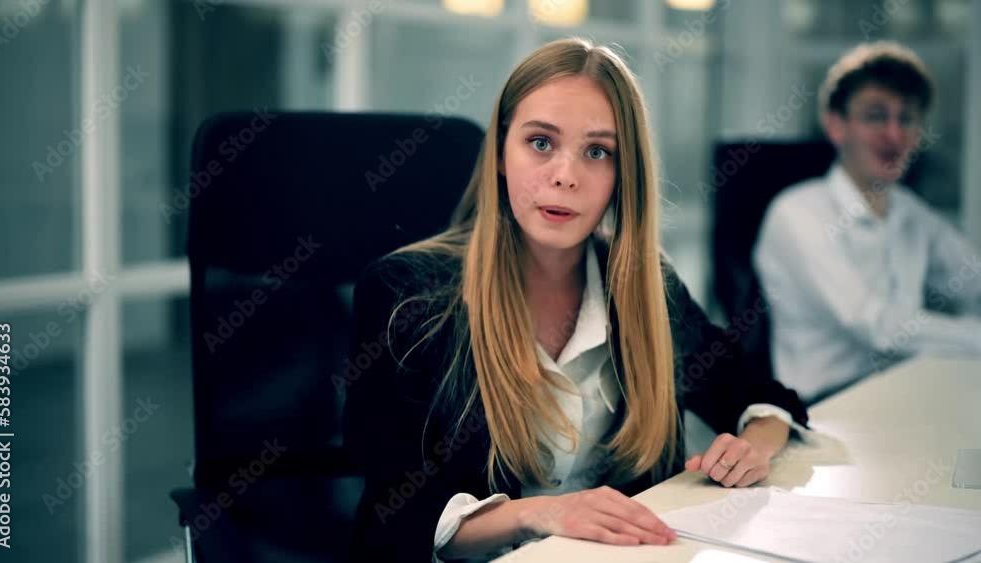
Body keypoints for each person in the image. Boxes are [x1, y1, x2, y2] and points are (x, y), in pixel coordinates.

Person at [344, 38, 808, 563]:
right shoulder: (406, 295)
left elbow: (756, 393)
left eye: (597, 152)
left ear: (623, 174)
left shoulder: (643, 284)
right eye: (540, 142)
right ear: (500, 154)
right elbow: (391, 519)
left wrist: (756, 442)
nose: (566, 175)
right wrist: (540, 513)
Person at [753, 41, 981, 404]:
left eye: (906, 119)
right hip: (826, 407)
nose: (894, 135)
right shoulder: (796, 213)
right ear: (835, 125)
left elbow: (973, 280)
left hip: (904, 391)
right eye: (876, 116)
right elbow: (874, 325)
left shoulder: (910, 211)